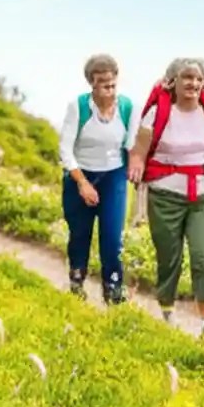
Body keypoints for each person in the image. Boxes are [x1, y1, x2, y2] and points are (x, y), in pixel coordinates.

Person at [127, 57, 204, 336]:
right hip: (165, 194)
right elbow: (140, 149)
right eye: (187, 77)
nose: (193, 83)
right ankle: (167, 310)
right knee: (169, 258)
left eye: (198, 78)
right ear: (173, 81)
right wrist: (136, 163)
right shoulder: (158, 112)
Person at [57, 54, 139, 304]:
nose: (110, 90)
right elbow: (65, 150)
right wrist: (82, 183)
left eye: (113, 84)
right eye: (104, 85)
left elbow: (132, 144)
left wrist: (136, 164)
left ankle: (113, 289)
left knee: (112, 237)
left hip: (113, 175)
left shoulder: (127, 107)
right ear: (92, 84)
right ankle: (77, 281)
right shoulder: (78, 107)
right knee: (80, 234)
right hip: (80, 174)